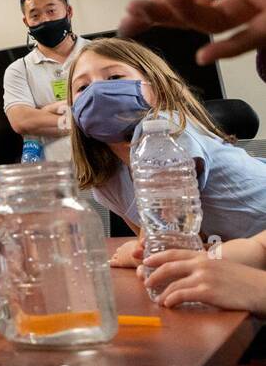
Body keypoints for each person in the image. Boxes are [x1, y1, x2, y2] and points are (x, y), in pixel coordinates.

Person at [67, 37, 266, 266]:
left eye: (114, 78)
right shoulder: (106, 182)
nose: (96, 91)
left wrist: (140, 255)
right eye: (82, 87)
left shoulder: (164, 128)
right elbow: (187, 244)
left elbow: (165, 247)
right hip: (242, 265)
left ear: (156, 87)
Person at [2, 0, 89, 162]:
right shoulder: (19, 70)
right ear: (26, 22)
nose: (45, 20)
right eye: (35, 15)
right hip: (55, 179)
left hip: (110, 173)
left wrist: (45, 112)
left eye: (51, 11)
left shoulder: (101, 53)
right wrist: (87, 120)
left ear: (69, 11)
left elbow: (118, 108)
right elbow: (22, 121)